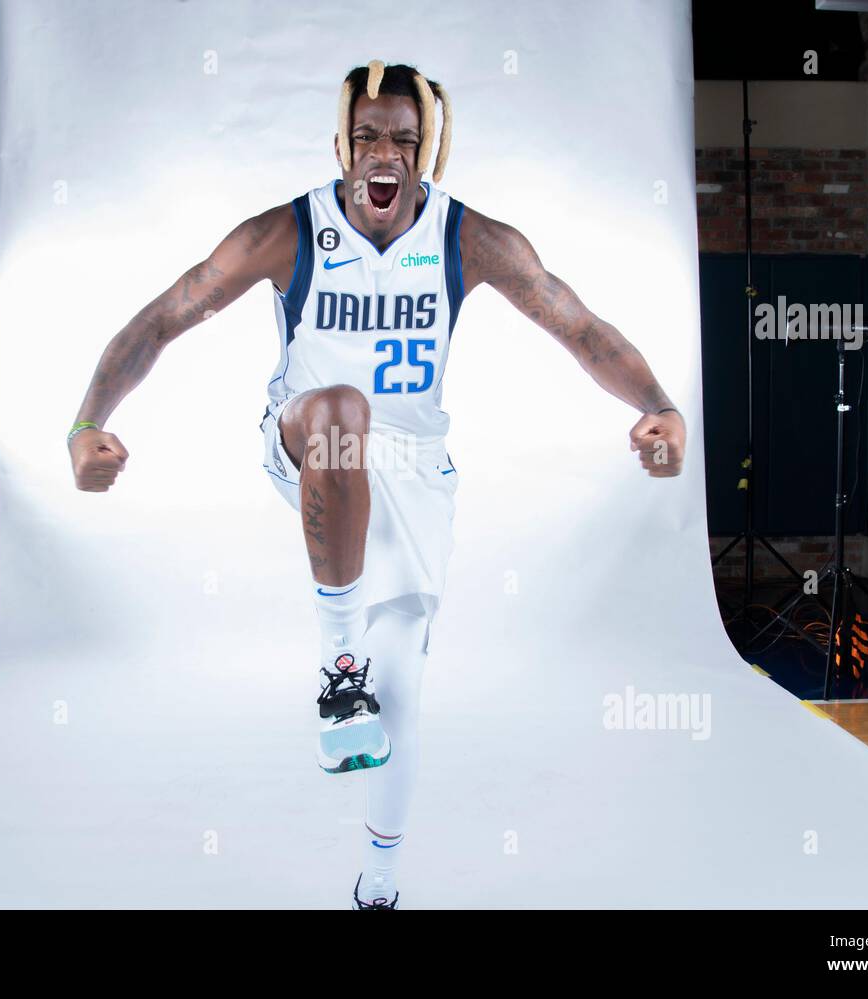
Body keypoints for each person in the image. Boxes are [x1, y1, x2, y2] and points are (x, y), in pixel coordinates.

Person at [68, 60, 686, 909]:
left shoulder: (471, 240)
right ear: (341, 146)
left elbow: (576, 325)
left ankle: (380, 884)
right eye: (366, 136)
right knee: (339, 409)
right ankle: (337, 661)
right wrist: (86, 421)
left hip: (414, 472)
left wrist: (658, 405)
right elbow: (168, 312)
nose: (382, 152)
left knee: (398, 697)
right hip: (310, 438)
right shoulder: (289, 232)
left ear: (427, 151)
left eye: (401, 137)